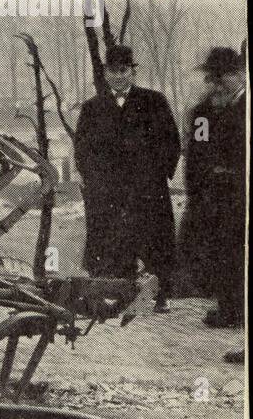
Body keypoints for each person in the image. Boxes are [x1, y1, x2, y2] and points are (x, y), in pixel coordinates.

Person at [74, 44, 180, 309]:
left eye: (124, 70)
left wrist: (159, 175)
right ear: (105, 74)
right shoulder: (92, 108)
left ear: (132, 72)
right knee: (114, 239)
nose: (119, 76)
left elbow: (171, 141)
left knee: (155, 238)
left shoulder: (154, 101)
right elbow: (82, 149)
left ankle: (162, 295)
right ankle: (120, 293)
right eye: (113, 71)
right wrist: (95, 180)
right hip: (109, 191)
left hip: (147, 188)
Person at [180, 46, 246, 355]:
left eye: (220, 78)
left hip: (241, 195)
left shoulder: (245, 108)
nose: (215, 85)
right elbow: (197, 153)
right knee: (222, 254)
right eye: (211, 79)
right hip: (215, 199)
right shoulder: (203, 114)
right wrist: (197, 192)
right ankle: (229, 308)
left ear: (238, 74)